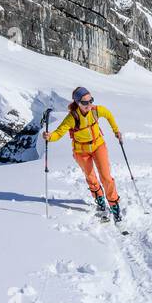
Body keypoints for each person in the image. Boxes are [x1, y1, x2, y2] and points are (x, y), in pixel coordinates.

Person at [44, 87, 124, 222]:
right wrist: (49, 137)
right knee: (91, 177)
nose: (89, 104)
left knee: (106, 177)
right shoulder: (72, 117)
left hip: (98, 146)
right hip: (81, 151)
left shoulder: (96, 111)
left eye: (90, 100)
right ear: (77, 102)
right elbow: (58, 133)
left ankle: (114, 205)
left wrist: (116, 131)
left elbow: (109, 115)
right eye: (85, 102)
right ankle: (100, 201)